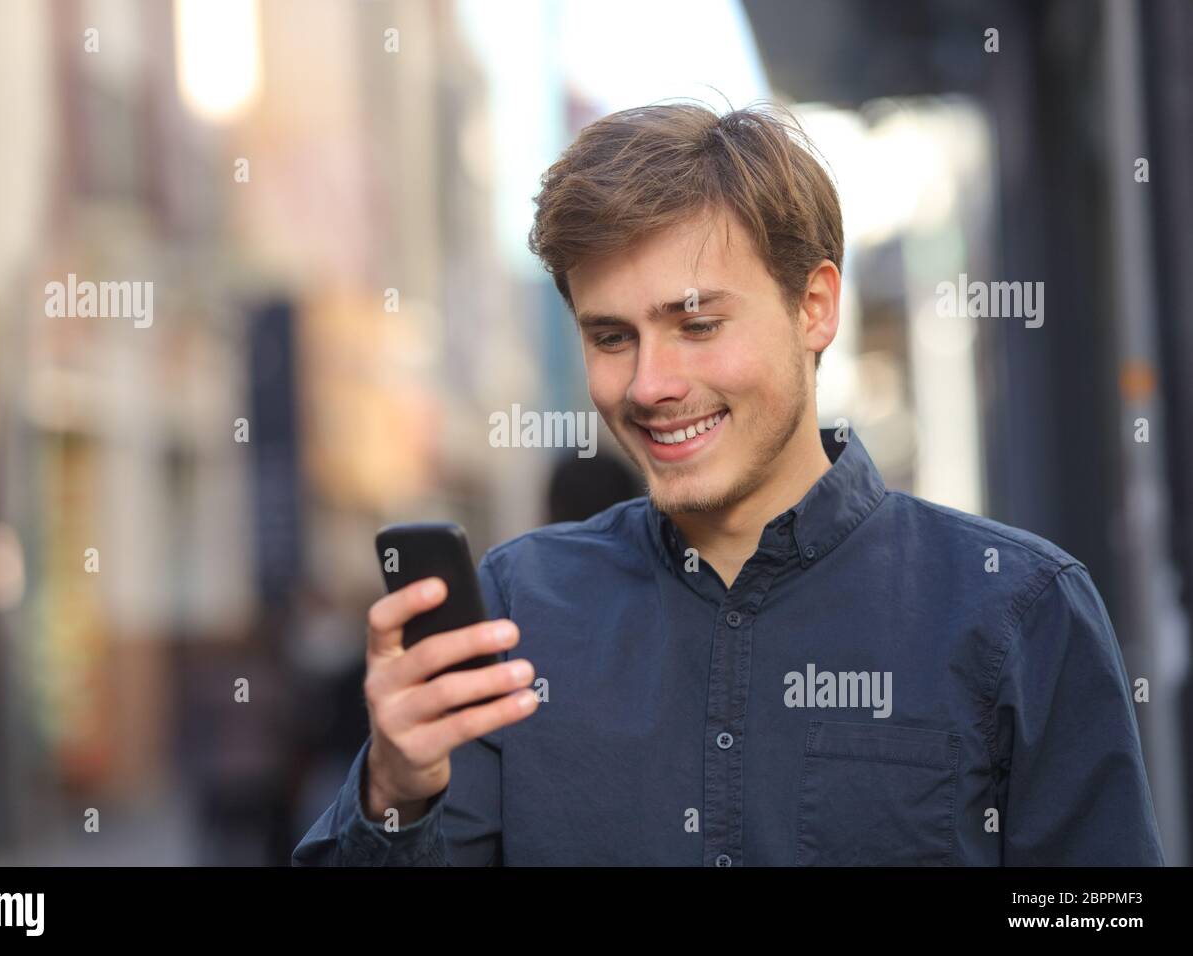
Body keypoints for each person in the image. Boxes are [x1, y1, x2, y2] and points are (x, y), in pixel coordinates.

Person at [292, 102, 1165, 866]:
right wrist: (396, 792)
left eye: (697, 323)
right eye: (611, 337)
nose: (649, 384)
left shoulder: (1020, 611)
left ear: (815, 306)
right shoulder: (518, 609)